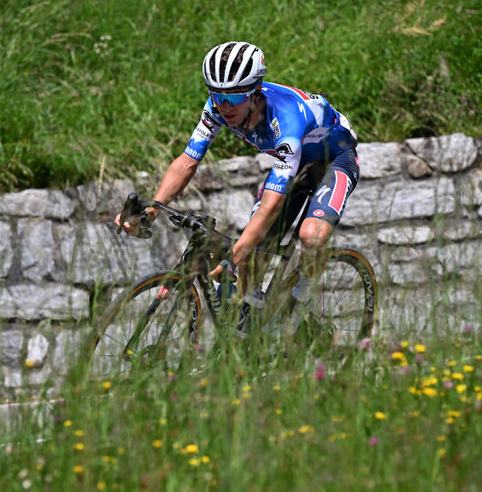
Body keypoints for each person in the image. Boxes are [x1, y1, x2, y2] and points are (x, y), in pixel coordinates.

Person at [114, 41, 359, 324]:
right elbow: (187, 161)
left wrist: (235, 256)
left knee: (311, 236)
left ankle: (303, 303)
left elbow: (271, 204)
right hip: (294, 164)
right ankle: (256, 327)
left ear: (255, 92)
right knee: (252, 260)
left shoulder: (287, 119)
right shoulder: (216, 108)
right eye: (217, 95)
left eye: (234, 97)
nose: (224, 106)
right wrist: (151, 211)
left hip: (334, 160)